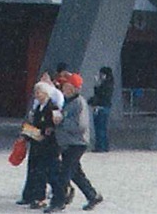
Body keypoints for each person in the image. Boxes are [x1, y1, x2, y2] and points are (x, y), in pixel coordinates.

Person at [45, 73, 103, 213]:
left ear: (74, 88)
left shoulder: (79, 103)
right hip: (68, 143)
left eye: (68, 86)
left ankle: (58, 202)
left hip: (76, 143)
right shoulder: (67, 101)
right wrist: (53, 126)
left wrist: (61, 122)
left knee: (64, 173)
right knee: (76, 173)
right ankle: (92, 195)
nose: (64, 88)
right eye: (64, 85)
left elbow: (81, 126)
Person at [18, 81, 60, 209]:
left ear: (46, 93)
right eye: (35, 92)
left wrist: (39, 132)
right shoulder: (38, 108)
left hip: (47, 146)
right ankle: (34, 196)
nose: (37, 95)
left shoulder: (52, 108)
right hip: (37, 144)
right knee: (36, 171)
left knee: (46, 172)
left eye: (39, 92)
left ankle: (43, 197)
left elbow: (50, 128)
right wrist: (26, 133)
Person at [88, 67, 114, 153]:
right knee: (103, 128)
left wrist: (96, 85)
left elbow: (99, 94)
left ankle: (100, 146)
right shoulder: (110, 84)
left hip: (100, 108)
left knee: (99, 128)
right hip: (105, 107)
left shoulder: (105, 85)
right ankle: (105, 146)